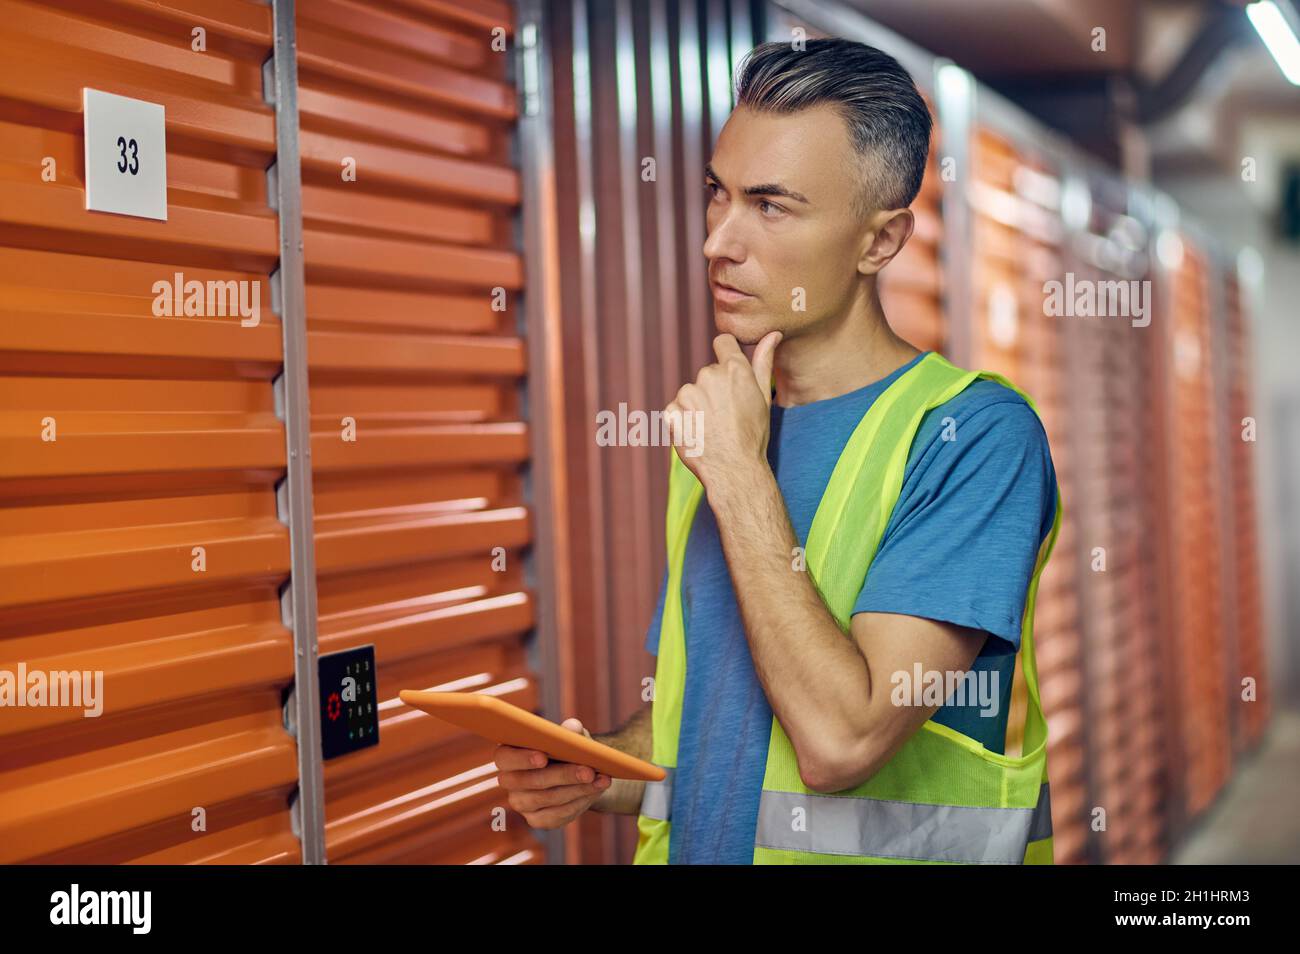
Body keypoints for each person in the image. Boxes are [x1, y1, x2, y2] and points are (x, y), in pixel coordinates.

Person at [494, 37, 1059, 864]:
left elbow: (841, 739)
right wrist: (594, 770)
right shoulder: (735, 426)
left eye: (770, 205)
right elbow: (714, 718)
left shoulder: (972, 437)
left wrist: (737, 475)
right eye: (715, 195)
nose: (717, 242)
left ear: (881, 242)